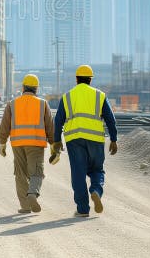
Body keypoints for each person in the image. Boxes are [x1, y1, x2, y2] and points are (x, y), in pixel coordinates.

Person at [52, 64, 118, 217]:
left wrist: (57, 141)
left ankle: (82, 209)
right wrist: (114, 139)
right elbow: (110, 119)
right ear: (90, 79)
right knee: (97, 170)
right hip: (95, 138)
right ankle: (96, 190)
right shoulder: (99, 95)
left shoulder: (67, 96)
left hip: (74, 139)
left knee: (78, 173)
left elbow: (58, 120)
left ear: (76, 79)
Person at [0, 74, 54, 213]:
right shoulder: (42, 103)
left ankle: (25, 206)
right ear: (36, 89)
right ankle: (32, 194)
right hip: (35, 142)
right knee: (36, 172)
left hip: (17, 143)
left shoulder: (12, 103)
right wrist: (54, 145)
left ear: (23, 87)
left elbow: (4, 126)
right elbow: (50, 126)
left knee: (20, 174)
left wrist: (2, 143)